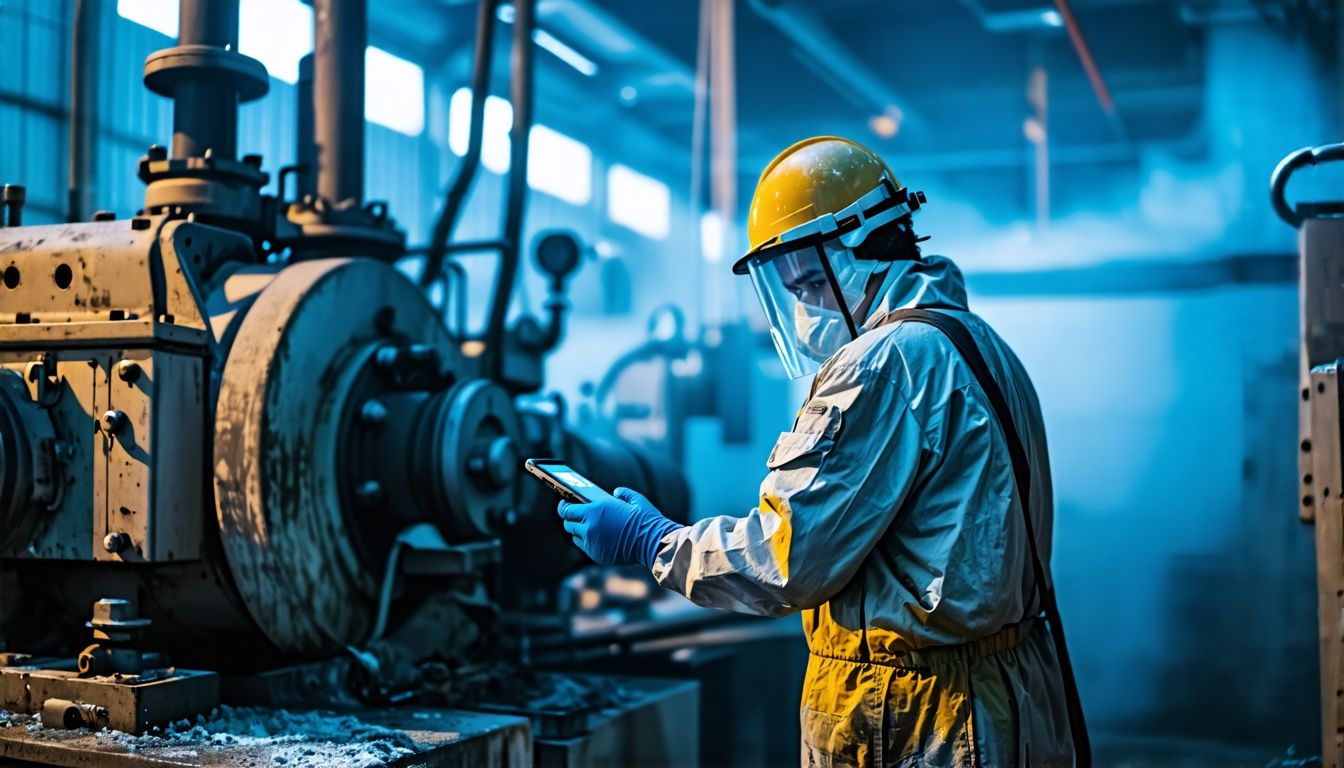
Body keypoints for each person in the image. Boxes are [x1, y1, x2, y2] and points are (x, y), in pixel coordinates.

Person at [556, 136, 1087, 767]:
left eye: (810, 283)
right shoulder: (979, 344)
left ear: (859, 251)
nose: (804, 307)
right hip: (997, 696)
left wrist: (651, 541)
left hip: (918, 717)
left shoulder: (884, 363)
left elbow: (788, 558)